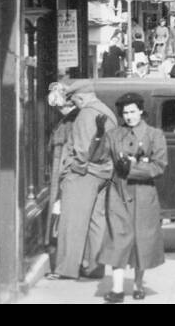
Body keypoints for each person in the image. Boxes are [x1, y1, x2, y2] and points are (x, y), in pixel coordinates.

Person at [99, 93, 167, 301]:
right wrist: (97, 135)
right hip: (118, 194)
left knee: (142, 241)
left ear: (140, 111)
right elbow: (99, 157)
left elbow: (159, 165)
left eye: (132, 111)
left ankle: (138, 286)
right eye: (125, 113)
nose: (129, 116)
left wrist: (132, 168)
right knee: (117, 239)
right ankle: (117, 290)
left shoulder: (155, 135)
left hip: (144, 194)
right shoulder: (113, 135)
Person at [48, 85, 116, 280]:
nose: (74, 104)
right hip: (104, 172)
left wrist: (74, 170)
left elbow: (82, 149)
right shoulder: (105, 110)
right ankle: (94, 267)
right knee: (97, 222)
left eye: (74, 101)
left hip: (85, 174)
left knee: (73, 222)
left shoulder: (86, 114)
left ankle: (66, 269)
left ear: (79, 98)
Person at [45, 83, 77, 254]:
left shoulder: (69, 123)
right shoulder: (67, 121)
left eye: (61, 106)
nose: (59, 109)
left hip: (64, 174)